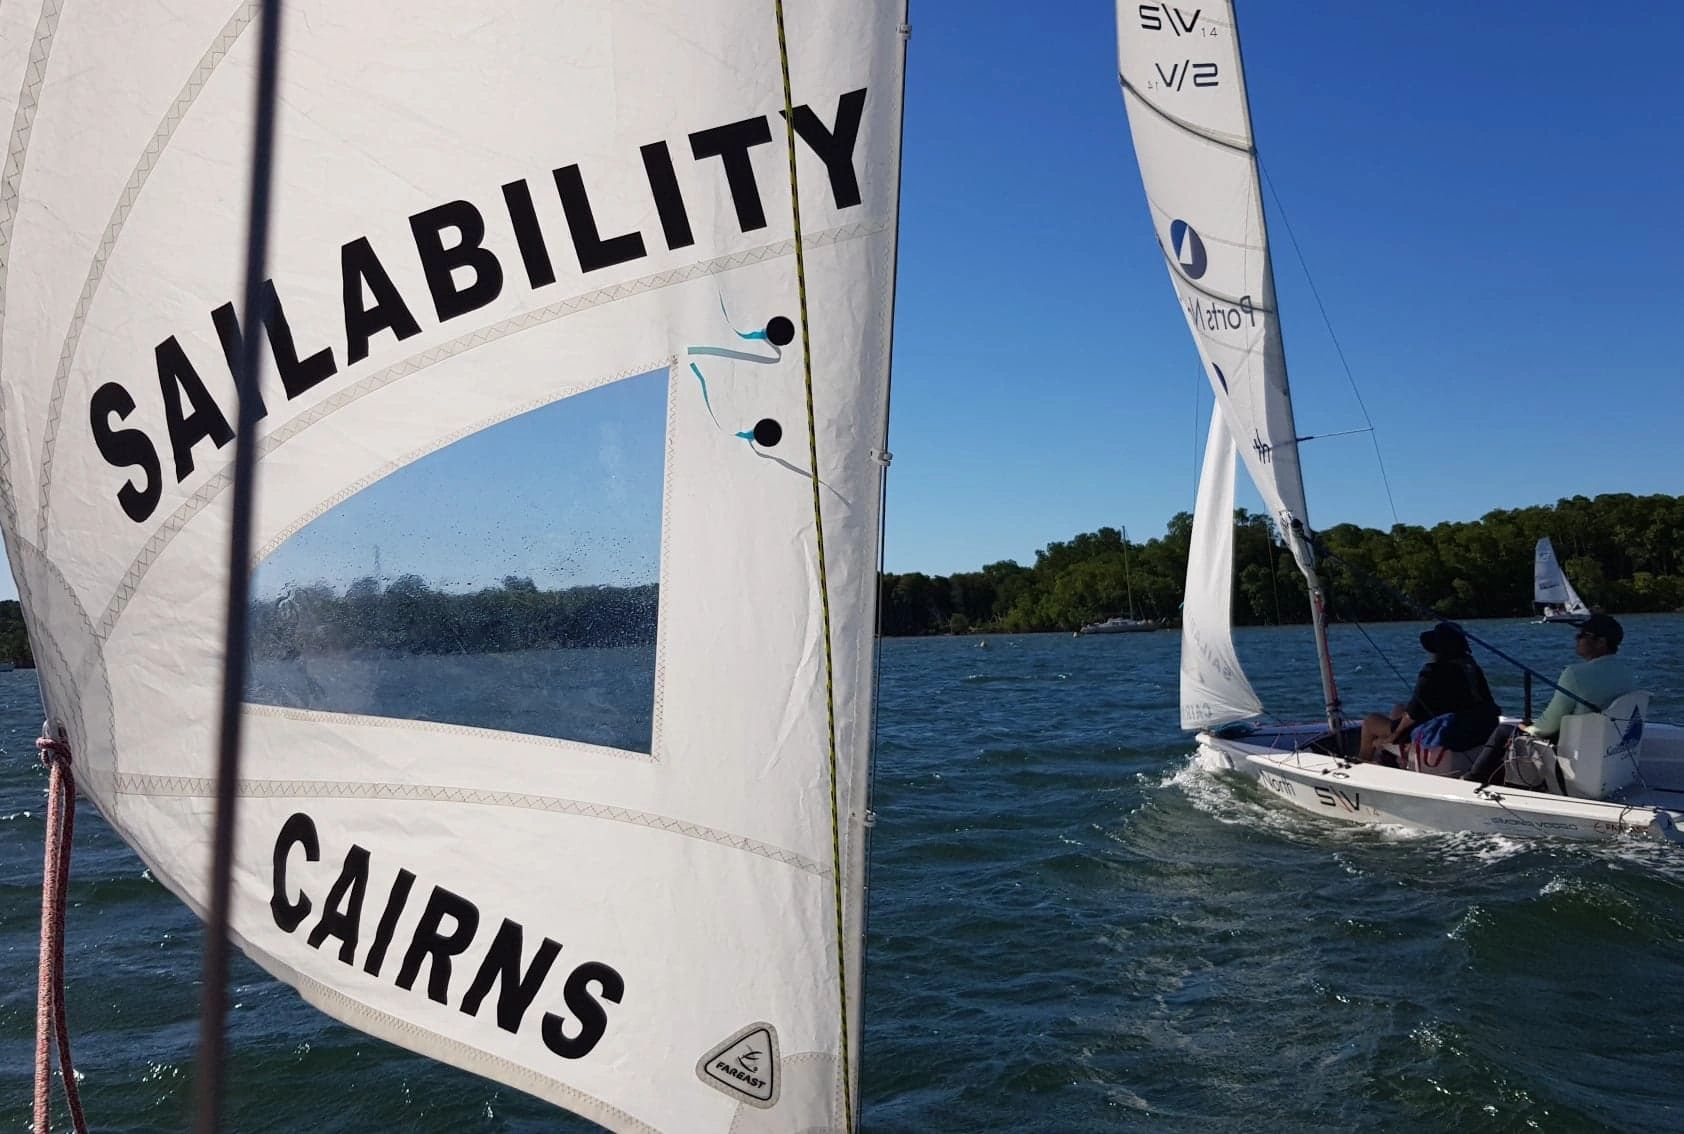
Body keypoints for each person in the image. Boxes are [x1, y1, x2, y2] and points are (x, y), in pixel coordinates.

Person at [1357, 622, 1501, 764]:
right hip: (1463, 724)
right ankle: (1389, 759)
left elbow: (1412, 715)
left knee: (1370, 721)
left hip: (1438, 729)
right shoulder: (1472, 668)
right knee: (1398, 709)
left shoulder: (1431, 672)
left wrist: (1392, 737)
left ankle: (1361, 763)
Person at [1526, 612, 1637, 741]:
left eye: (1582, 635)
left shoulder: (1574, 674)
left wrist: (1528, 728)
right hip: (1612, 746)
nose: (1576, 638)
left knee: (1503, 731)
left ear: (1601, 642)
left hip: (1578, 748)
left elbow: (1547, 727)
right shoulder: (1626, 672)